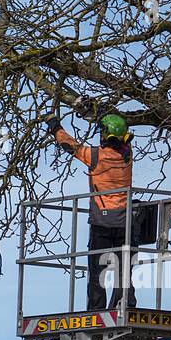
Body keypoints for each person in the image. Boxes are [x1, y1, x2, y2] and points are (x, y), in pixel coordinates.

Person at [46, 106, 138, 311]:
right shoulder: (127, 157)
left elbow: (69, 145)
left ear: (104, 135)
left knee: (98, 271)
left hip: (102, 224)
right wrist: (95, 112)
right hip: (125, 223)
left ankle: (96, 309)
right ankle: (126, 303)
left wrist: (54, 126)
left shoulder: (95, 156)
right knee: (125, 269)